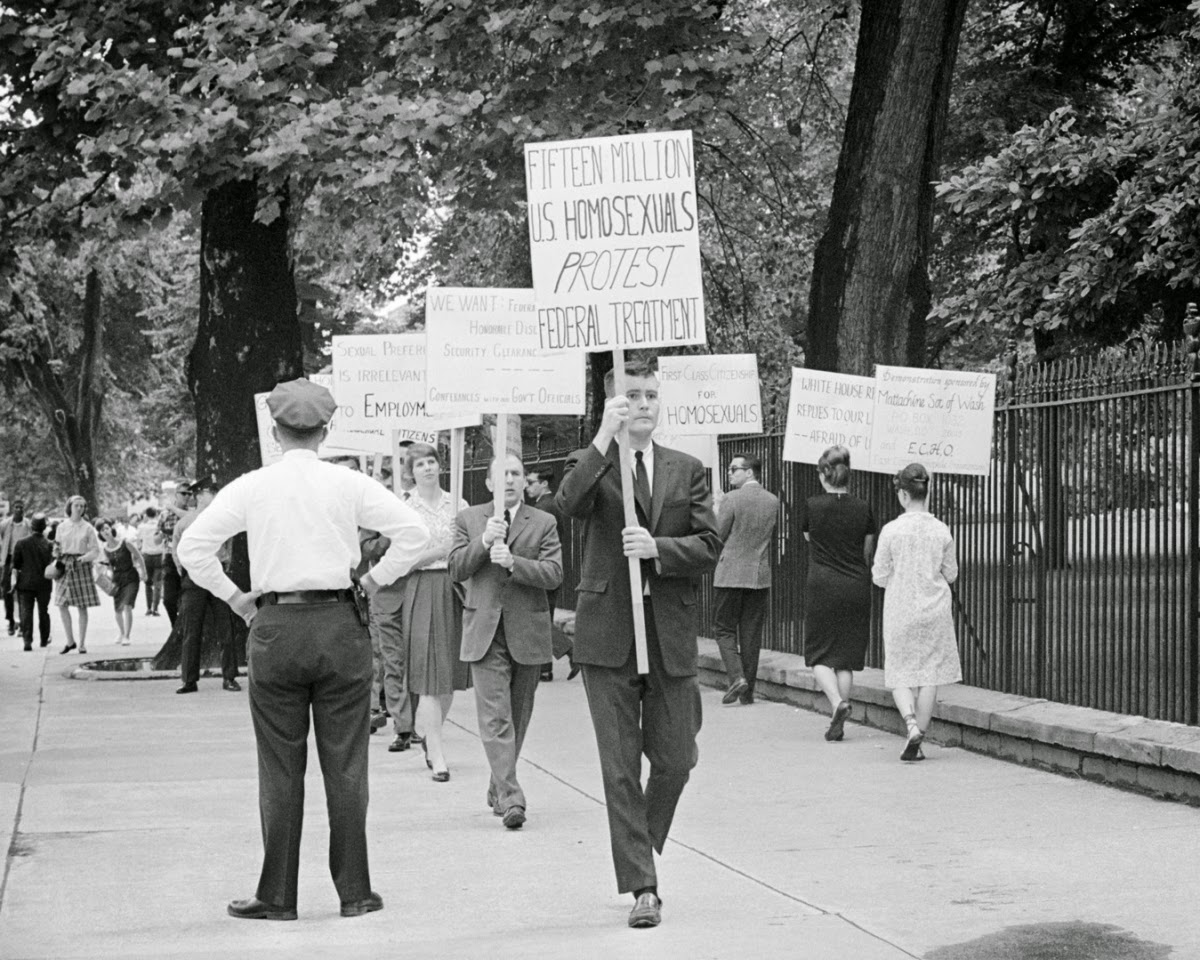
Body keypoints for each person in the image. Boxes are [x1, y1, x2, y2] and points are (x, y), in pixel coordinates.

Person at [177, 377, 429, 922]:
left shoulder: (251, 486)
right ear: (326, 429)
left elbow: (192, 547)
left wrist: (238, 600)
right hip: (340, 622)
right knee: (346, 766)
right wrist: (373, 580)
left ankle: (277, 896)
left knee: (280, 768)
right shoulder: (348, 483)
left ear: (275, 429)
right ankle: (356, 892)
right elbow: (416, 532)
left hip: (275, 625)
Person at [557, 358, 720, 929]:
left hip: (668, 634)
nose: (644, 403)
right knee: (620, 767)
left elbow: (708, 545)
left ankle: (639, 848)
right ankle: (643, 887)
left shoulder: (687, 468)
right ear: (613, 402)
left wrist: (658, 550)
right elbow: (566, 506)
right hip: (607, 635)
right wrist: (603, 436)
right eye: (633, 395)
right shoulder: (593, 463)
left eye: (651, 394)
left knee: (677, 758)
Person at [449, 454, 562, 829]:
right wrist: (484, 542)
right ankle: (513, 797)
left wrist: (514, 562)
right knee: (495, 716)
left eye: (517, 474)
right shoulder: (469, 519)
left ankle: (499, 785)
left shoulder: (543, 522)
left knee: (518, 716)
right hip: (484, 630)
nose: (511, 480)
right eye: (504, 474)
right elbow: (456, 567)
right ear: (490, 483)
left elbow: (554, 574)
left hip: (526, 631)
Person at [871, 462, 961, 762]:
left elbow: (879, 575)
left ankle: (910, 725)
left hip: (901, 607)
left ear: (904, 495)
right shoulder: (941, 530)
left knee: (899, 672)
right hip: (934, 608)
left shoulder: (891, 531)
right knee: (929, 674)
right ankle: (918, 736)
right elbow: (951, 573)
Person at [401, 441, 470, 782]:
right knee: (429, 675)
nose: (427, 468)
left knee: (450, 677)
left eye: (431, 461)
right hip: (422, 586)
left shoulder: (458, 503)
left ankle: (430, 734)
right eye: (419, 464)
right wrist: (439, 551)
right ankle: (438, 753)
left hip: (455, 588)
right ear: (410, 472)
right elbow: (401, 560)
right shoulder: (404, 508)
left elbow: (469, 548)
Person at [801, 445, 877, 741]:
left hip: (822, 585)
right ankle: (840, 721)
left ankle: (837, 704)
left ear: (824, 474)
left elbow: (810, 539)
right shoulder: (864, 507)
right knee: (845, 657)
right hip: (856, 585)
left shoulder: (812, 505)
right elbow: (867, 550)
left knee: (818, 654)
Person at [712, 453, 779, 707]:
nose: (729, 473)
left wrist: (716, 509)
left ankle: (737, 677)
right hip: (759, 576)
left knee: (724, 628)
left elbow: (717, 534)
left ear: (750, 472)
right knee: (751, 633)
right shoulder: (773, 500)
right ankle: (747, 692)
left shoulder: (731, 499)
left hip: (730, 574)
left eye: (734, 469)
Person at [173, 479, 242, 693]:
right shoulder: (186, 522)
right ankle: (189, 679)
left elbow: (229, 545)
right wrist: (182, 568)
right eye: (208, 492)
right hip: (194, 577)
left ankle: (229, 676)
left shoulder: (221, 520)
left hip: (217, 574)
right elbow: (176, 548)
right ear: (199, 496)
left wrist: (224, 564)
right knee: (191, 629)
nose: (212, 495)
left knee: (225, 627)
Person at [525, 462, 569, 681]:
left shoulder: (542, 508)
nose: (527, 487)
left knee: (539, 619)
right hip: (550, 569)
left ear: (543, 484)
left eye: (531, 482)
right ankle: (544, 668)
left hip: (542, 570)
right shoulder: (551, 504)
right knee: (542, 617)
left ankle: (569, 652)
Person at [54, 495, 102, 655]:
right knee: (62, 604)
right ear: (70, 507)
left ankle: (81, 643)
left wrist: (85, 558)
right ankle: (70, 641)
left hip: (81, 565)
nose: (80, 508)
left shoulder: (88, 528)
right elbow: (57, 545)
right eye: (76, 505)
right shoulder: (62, 527)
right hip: (64, 564)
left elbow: (96, 550)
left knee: (82, 606)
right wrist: (56, 554)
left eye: (82, 506)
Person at [95, 517, 148, 646]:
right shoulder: (106, 550)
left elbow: (139, 556)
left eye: (107, 528)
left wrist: (144, 573)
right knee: (118, 609)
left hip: (131, 577)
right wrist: (103, 573)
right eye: (102, 530)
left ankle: (127, 636)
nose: (106, 531)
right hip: (117, 579)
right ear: (100, 534)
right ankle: (121, 632)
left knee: (127, 605)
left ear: (111, 529)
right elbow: (108, 566)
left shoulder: (125, 543)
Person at [13, 513, 54, 650]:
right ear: (44, 527)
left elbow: (16, 565)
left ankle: (27, 641)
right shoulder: (49, 545)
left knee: (26, 611)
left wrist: (14, 582)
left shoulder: (21, 543)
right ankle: (44, 639)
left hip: (25, 583)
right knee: (44, 611)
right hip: (44, 583)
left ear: (31, 527)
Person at [159, 484, 192, 625]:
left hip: (188, 558)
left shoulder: (192, 512)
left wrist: (172, 508)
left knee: (187, 596)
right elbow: (156, 537)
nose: (187, 497)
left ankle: (182, 626)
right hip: (170, 557)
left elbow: (188, 517)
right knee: (169, 599)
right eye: (183, 493)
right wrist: (163, 534)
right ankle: (175, 626)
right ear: (176, 494)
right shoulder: (165, 515)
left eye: (189, 494)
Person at [1, 498, 32, 636]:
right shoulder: (5, 524)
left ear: (24, 509)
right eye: (16, 507)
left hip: (23, 560)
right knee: (7, 590)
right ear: (12, 509)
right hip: (8, 559)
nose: (19, 510)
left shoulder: (28, 525)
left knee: (23, 591)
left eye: (21, 507)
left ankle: (22, 622)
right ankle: (11, 621)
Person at [137, 506, 167, 616]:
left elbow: (139, 541)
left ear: (146, 515)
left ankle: (148, 607)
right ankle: (156, 608)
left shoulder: (142, 527)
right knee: (158, 583)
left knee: (148, 583)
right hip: (158, 555)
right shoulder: (159, 526)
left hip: (147, 556)